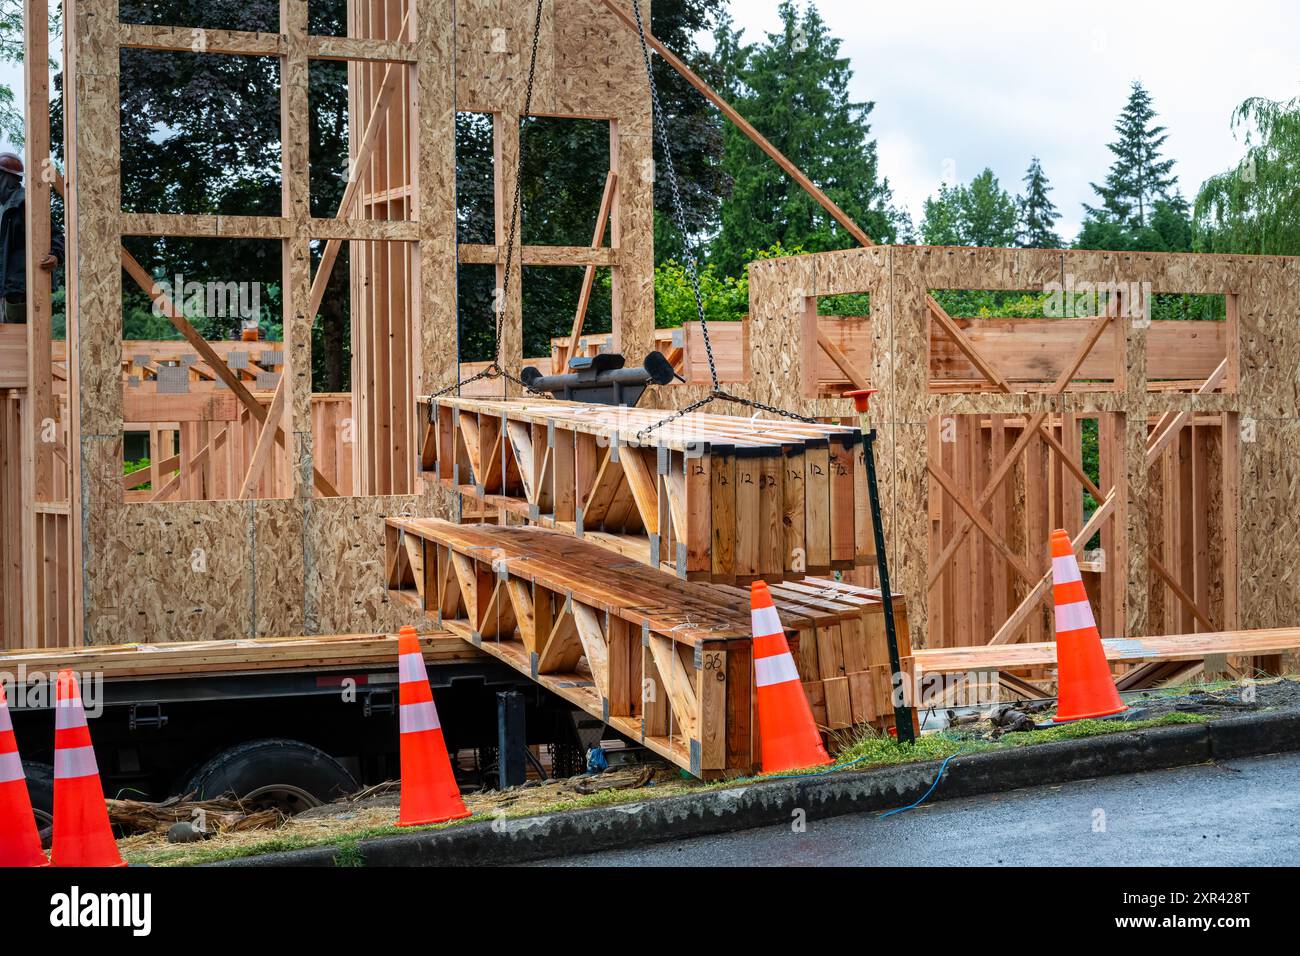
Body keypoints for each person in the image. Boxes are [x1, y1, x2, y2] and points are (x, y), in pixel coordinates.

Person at [0, 152, 64, 323]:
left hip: (22, 289)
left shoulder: (25, 203)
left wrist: (56, 255)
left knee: (23, 343)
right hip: (8, 289)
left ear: (8, 178)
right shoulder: (3, 207)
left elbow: (55, 234)